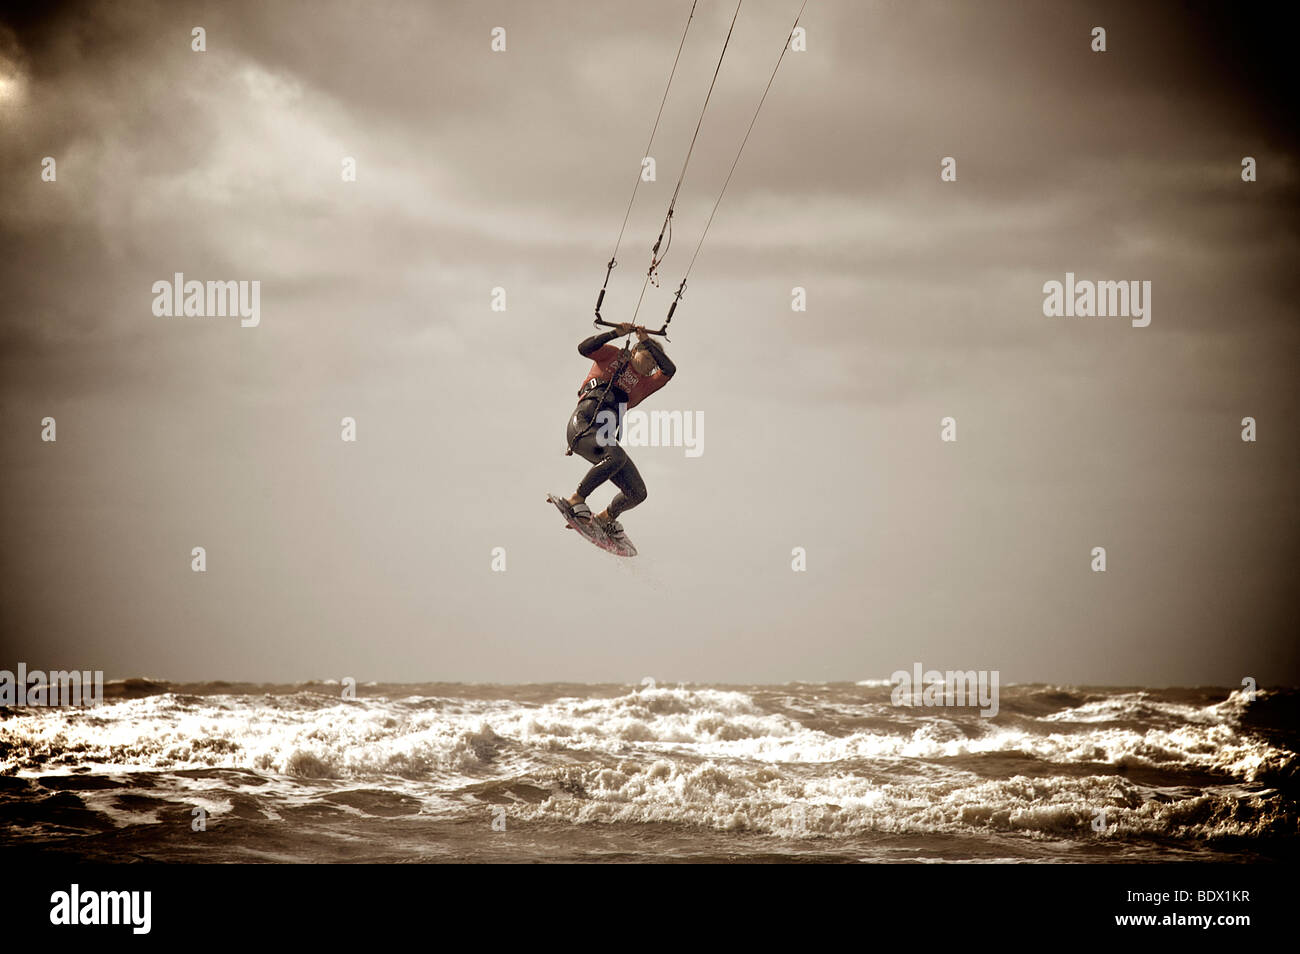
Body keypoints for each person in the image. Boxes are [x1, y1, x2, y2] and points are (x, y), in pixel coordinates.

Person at [565, 322, 676, 543]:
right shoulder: (613, 356)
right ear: (634, 351)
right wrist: (616, 333)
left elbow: (669, 370)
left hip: (604, 437)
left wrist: (646, 341)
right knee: (616, 456)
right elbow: (584, 348)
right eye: (647, 359)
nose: (650, 367)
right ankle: (576, 499)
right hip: (583, 425)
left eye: (654, 364)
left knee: (637, 492)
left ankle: (605, 518)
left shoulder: (646, 385)